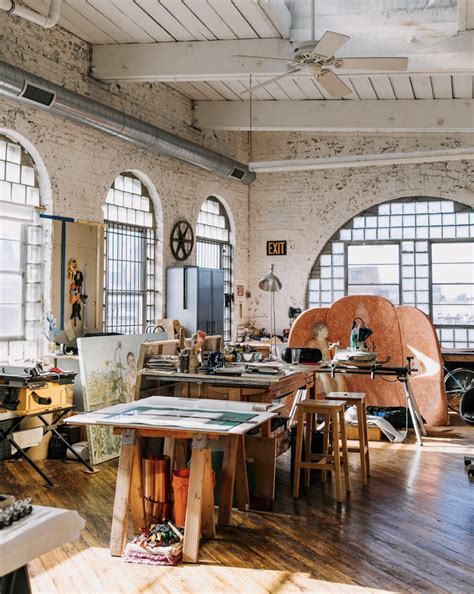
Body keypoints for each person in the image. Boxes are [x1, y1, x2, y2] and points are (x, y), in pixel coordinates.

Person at [308, 322, 347, 394]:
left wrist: (337, 348)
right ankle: (330, 401)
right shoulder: (312, 343)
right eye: (325, 330)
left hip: (329, 365)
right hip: (319, 367)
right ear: (319, 331)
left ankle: (340, 400)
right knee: (325, 380)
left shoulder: (328, 342)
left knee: (339, 378)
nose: (327, 332)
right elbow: (311, 358)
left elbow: (334, 355)